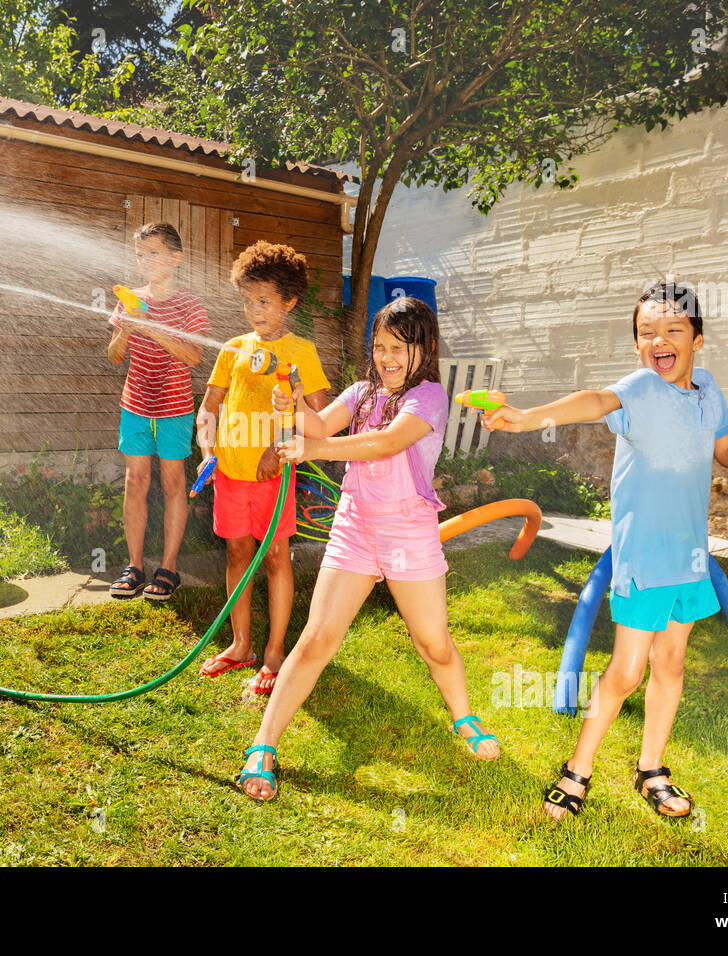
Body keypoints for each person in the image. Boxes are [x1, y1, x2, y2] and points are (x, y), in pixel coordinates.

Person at [481, 282, 728, 821]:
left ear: (697, 340)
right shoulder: (638, 389)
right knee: (626, 671)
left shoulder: (707, 390)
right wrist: (525, 417)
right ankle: (577, 771)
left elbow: (727, 452)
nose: (659, 340)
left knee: (672, 661)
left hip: (688, 560)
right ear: (637, 346)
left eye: (672, 330)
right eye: (646, 333)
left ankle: (651, 769)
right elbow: (593, 401)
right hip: (641, 560)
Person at [236, 295, 501, 802]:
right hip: (356, 527)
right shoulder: (361, 393)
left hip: (408, 533)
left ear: (424, 349)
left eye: (400, 347)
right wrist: (292, 405)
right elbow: (317, 425)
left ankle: (464, 717)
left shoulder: (428, 399)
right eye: (380, 347)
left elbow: (385, 443)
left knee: (434, 644)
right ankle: (264, 744)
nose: (388, 358)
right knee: (316, 639)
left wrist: (314, 448)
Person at [195, 241, 330, 695]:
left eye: (264, 301)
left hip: (275, 479)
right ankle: (240, 645)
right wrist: (207, 447)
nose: (254, 310)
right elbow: (209, 406)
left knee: (274, 558)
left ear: (289, 302)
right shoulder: (232, 349)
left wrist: (283, 435)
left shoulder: (301, 351)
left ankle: (274, 652)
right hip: (230, 473)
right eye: (248, 300)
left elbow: (321, 419)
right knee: (236, 555)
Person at [106, 222, 211, 601]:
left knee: (172, 484)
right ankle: (134, 566)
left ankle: (169, 567)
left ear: (175, 258)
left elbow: (194, 356)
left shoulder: (190, 305)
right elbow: (115, 356)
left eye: (153, 253)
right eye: (140, 254)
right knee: (135, 481)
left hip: (175, 407)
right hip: (135, 403)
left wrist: (150, 328)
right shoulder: (130, 300)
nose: (145, 260)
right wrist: (127, 328)